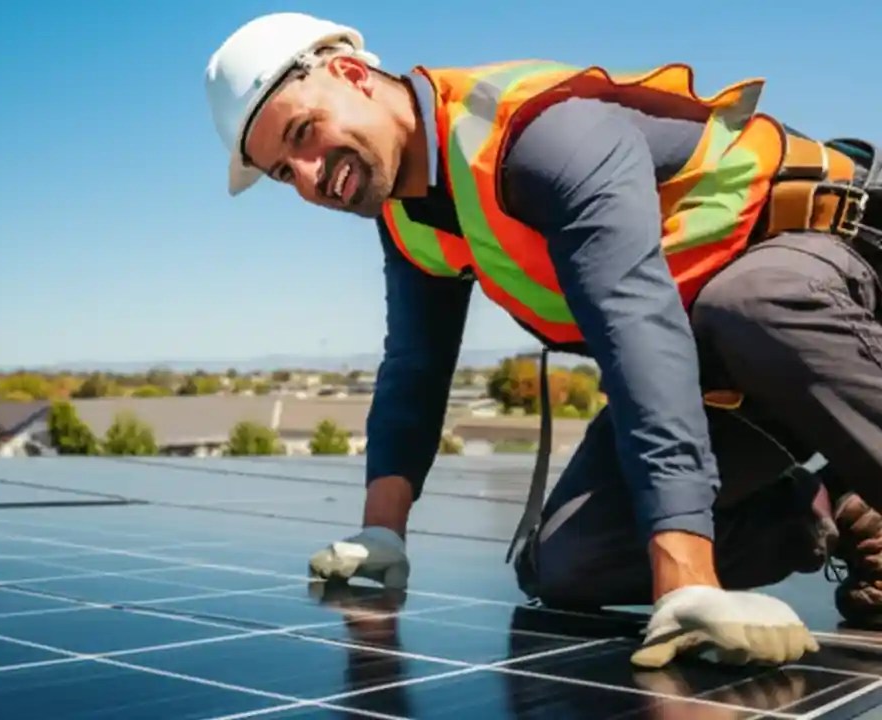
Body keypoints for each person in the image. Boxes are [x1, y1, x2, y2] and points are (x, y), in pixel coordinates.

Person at [203, 12, 882, 669]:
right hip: (713, 363)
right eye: (284, 172)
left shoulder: (538, 134)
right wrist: (381, 536)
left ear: (351, 73)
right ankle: (842, 510)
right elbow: (414, 367)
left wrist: (686, 580)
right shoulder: (409, 221)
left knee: (754, 305)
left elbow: (632, 321)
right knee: (568, 561)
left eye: (303, 133)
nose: (312, 175)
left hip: (830, 278)